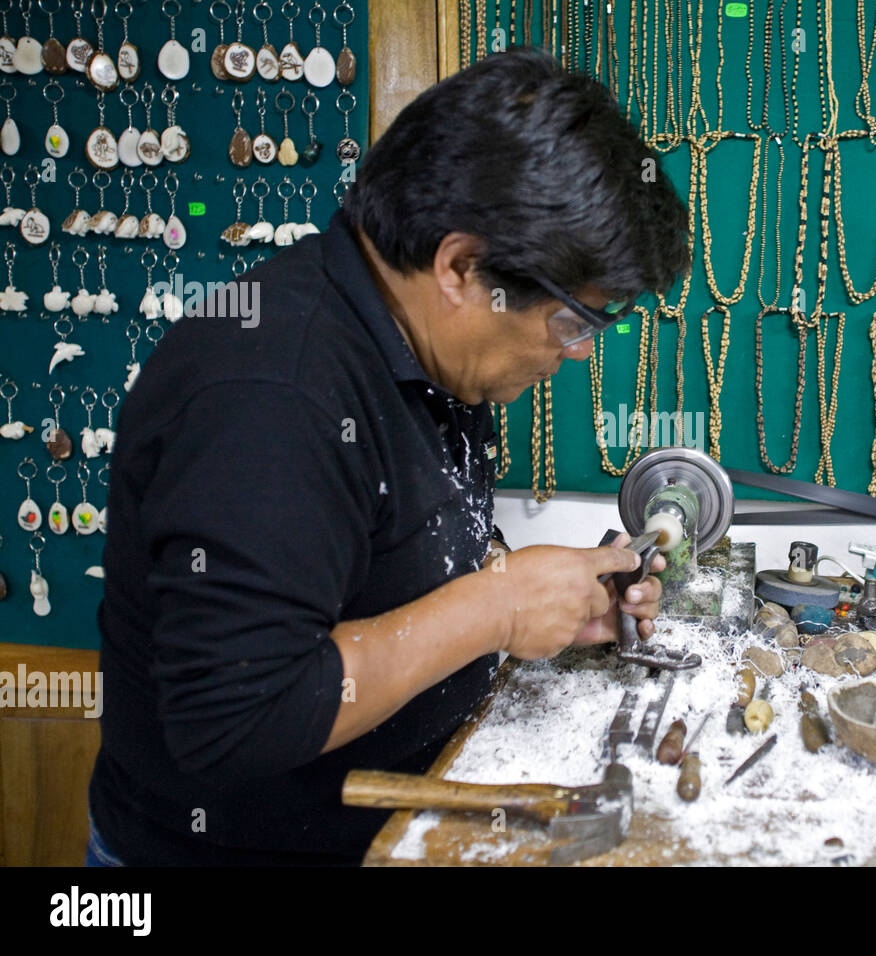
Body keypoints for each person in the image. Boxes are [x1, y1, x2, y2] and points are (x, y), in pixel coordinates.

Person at [86, 47, 691, 866]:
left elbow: (401, 553)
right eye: (575, 321)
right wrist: (498, 607)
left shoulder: (418, 343)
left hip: (393, 827)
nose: (579, 353)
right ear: (463, 267)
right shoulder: (270, 392)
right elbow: (236, 719)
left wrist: (556, 599)